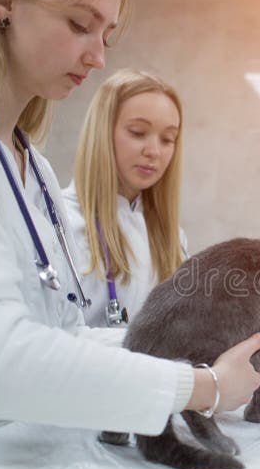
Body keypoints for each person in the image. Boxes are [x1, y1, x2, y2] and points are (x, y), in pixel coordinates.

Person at [0, 0, 260, 444]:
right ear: (4, 1)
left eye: (106, 35)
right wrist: (201, 387)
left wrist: (195, 364)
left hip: (10, 445)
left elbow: (68, 333)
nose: (98, 57)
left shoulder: (35, 169)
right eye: (79, 23)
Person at [62, 68, 187, 328]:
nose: (153, 151)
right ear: (102, 132)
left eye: (167, 139)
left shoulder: (174, 239)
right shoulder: (61, 223)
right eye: (138, 132)